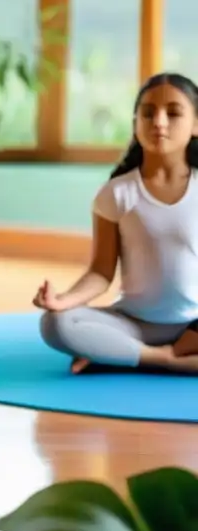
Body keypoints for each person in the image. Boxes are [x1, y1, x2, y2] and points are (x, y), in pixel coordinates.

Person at [36, 71, 198, 375]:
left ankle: (117, 355)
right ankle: (162, 359)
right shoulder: (116, 193)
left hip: (193, 327)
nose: (159, 122)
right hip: (132, 324)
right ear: (136, 122)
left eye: (173, 113)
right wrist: (62, 300)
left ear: (196, 125)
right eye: (148, 113)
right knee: (55, 324)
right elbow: (100, 272)